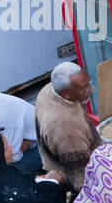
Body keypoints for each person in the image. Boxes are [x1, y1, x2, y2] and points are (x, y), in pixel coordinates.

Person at [36, 62, 100, 191]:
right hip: (72, 178)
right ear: (67, 94)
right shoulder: (68, 130)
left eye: (88, 82)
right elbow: (79, 176)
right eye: (84, 87)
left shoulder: (48, 90)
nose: (91, 89)